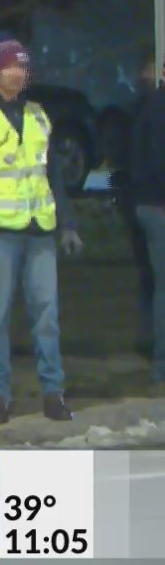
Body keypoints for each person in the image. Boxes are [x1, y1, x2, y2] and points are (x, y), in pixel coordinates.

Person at [0, 39, 81, 424]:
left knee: (47, 315)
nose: (18, 73)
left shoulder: (39, 115)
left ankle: (53, 392)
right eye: (10, 66)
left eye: (23, 67)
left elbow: (52, 175)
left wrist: (68, 223)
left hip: (40, 228)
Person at [125, 62, 165, 389]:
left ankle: (159, 365)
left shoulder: (148, 106)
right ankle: (161, 367)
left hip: (148, 203)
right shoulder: (158, 108)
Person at [116, 63, 159, 360]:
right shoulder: (151, 112)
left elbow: (117, 166)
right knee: (155, 278)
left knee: (149, 277)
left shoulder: (128, 114)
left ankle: (148, 337)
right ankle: (153, 342)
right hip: (150, 201)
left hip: (136, 202)